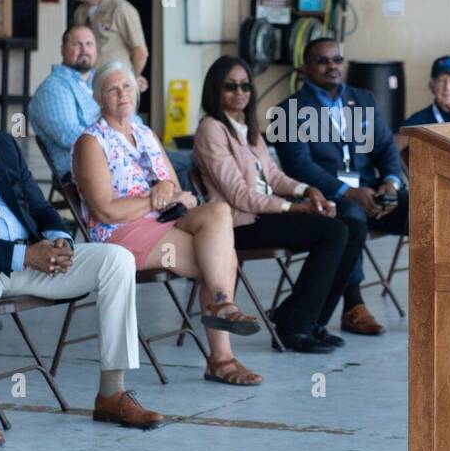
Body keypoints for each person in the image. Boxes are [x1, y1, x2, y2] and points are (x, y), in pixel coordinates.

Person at [0, 67, 166, 443]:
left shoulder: (1, 144)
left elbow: (40, 207)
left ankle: (112, 392)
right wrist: (24, 257)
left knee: (115, 259)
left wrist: (59, 242)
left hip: (35, 261)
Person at [74, 61, 264, 385]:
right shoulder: (91, 142)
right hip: (122, 234)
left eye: (128, 86)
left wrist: (167, 192)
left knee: (218, 212)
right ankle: (222, 352)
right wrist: (155, 198)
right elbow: (105, 211)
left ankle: (222, 309)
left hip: (164, 222)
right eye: (113, 88)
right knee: (218, 257)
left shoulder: (145, 133)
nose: (123, 94)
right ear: (98, 98)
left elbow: (176, 190)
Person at [193, 57, 360, 353]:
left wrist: (308, 190)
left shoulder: (248, 127)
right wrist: (296, 208)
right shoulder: (212, 129)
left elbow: (273, 175)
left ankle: (309, 322)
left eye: (245, 85)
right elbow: (239, 197)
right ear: (214, 90)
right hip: (240, 224)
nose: (239, 92)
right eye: (230, 86)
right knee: (332, 232)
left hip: (265, 215)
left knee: (351, 228)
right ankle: (293, 325)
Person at [274, 38, 408, 336]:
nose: (332, 66)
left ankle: (442, 291)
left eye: (337, 59)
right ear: (306, 68)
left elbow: (386, 147)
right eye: (322, 61)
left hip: (372, 192)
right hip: (325, 199)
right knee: (351, 216)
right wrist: (347, 192)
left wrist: (390, 182)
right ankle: (353, 306)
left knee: (423, 210)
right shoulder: (289, 110)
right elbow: (298, 165)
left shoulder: (363, 99)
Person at [27, 25, 102, 180]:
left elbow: (130, 120)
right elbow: (69, 135)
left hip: (113, 161)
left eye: (89, 44)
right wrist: (117, 143)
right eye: (77, 44)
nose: (84, 50)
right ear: (63, 49)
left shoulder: (101, 82)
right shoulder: (54, 88)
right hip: (82, 170)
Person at [70, 0, 148, 93]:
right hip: (86, 85)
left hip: (115, 89)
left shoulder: (121, 9)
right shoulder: (80, 12)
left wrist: (132, 78)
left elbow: (140, 52)